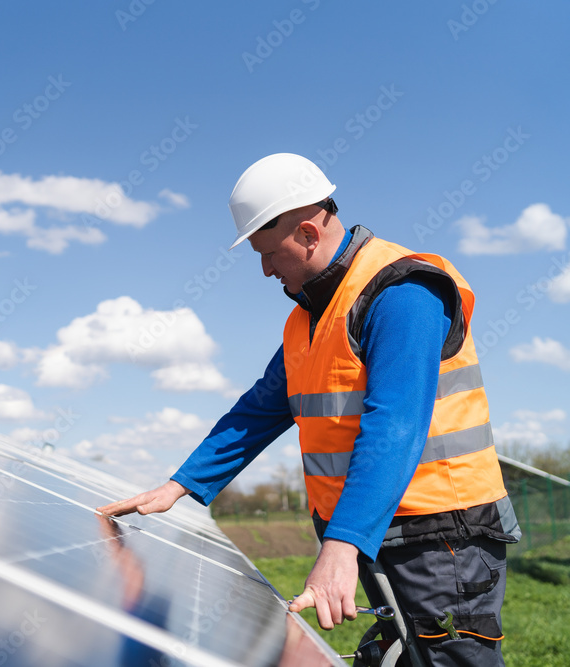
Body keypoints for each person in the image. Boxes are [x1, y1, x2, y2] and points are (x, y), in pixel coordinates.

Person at [97, 153, 520, 666]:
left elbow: (396, 427)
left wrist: (341, 548)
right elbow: (259, 409)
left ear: (307, 234)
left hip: (442, 538)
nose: (265, 269)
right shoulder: (311, 316)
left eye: (269, 253)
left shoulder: (401, 292)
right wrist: (179, 486)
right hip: (384, 529)